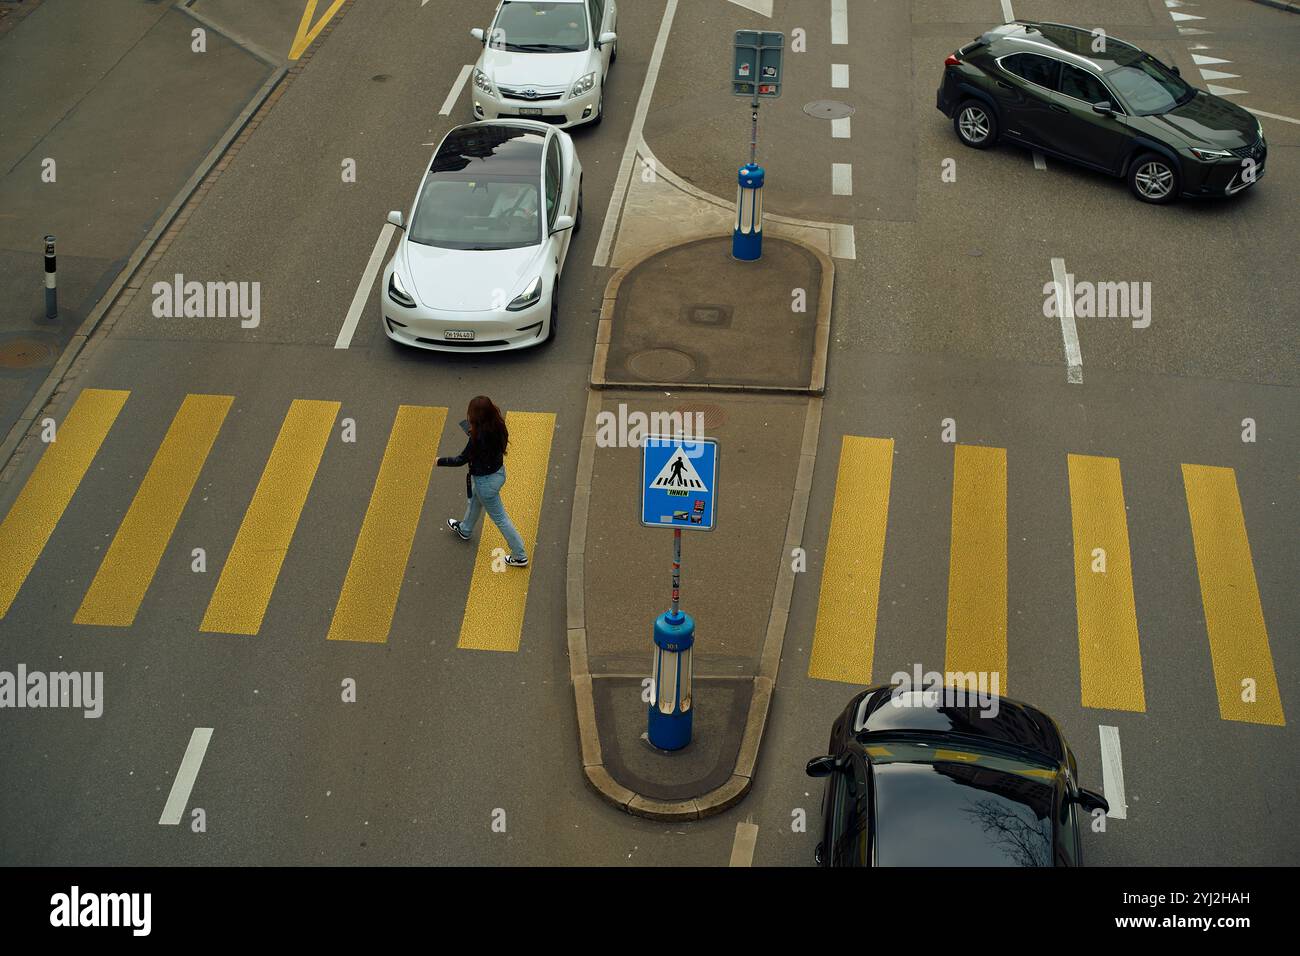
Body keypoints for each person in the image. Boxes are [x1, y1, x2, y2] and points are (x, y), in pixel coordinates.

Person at [435, 396, 528, 567]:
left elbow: (460, 460)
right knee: (475, 502)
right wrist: (473, 432)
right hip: (498, 474)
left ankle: (519, 555)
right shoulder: (498, 425)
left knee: (500, 519)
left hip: (486, 482)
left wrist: (439, 460)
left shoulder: (477, 439)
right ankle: (465, 529)